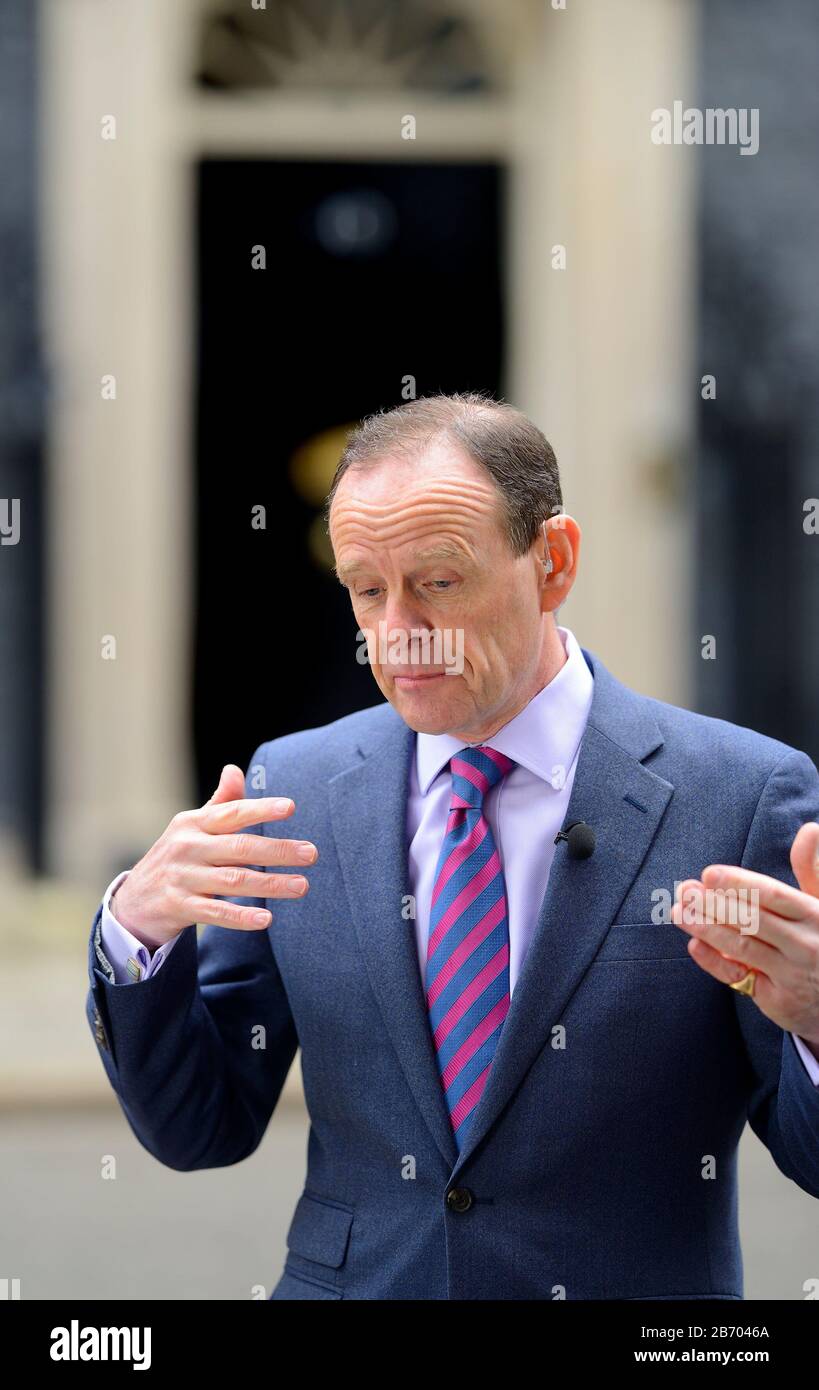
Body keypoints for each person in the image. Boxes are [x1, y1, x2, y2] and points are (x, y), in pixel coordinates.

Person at [86, 393, 819, 1301]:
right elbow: (202, 1126)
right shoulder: (294, 787)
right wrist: (136, 933)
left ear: (551, 561)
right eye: (365, 589)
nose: (396, 633)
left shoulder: (742, 795)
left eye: (437, 581)